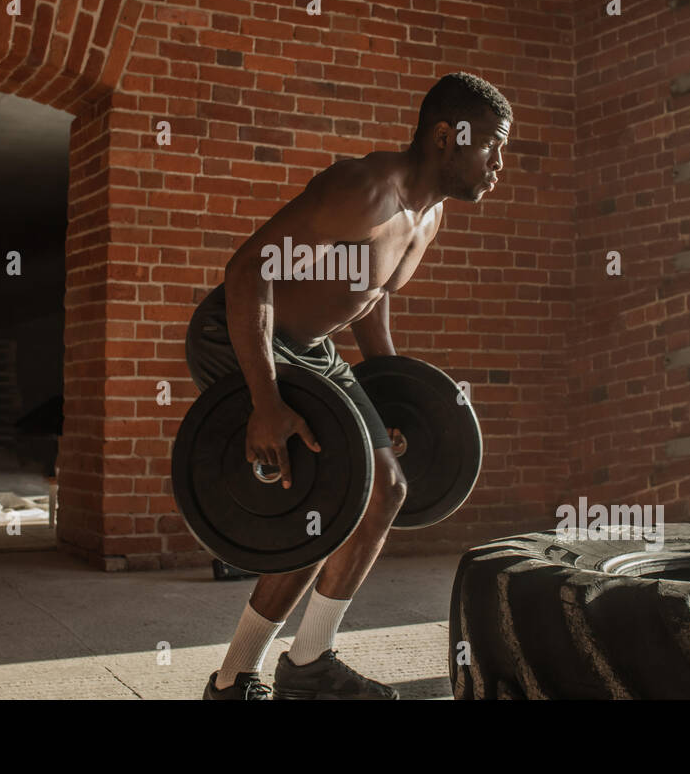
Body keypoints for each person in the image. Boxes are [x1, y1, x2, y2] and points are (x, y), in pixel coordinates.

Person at [184, 71, 512, 699]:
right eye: (491, 146)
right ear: (448, 136)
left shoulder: (428, 216)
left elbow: (370, 298)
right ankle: (233, 680)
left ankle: (309, 665)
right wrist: (265, 401)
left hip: (313, 349)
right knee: (329, 494)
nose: (498, 164)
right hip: (243, 333)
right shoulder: (364, 190)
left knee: (387, 488)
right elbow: (248, 274)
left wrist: (388, 398)